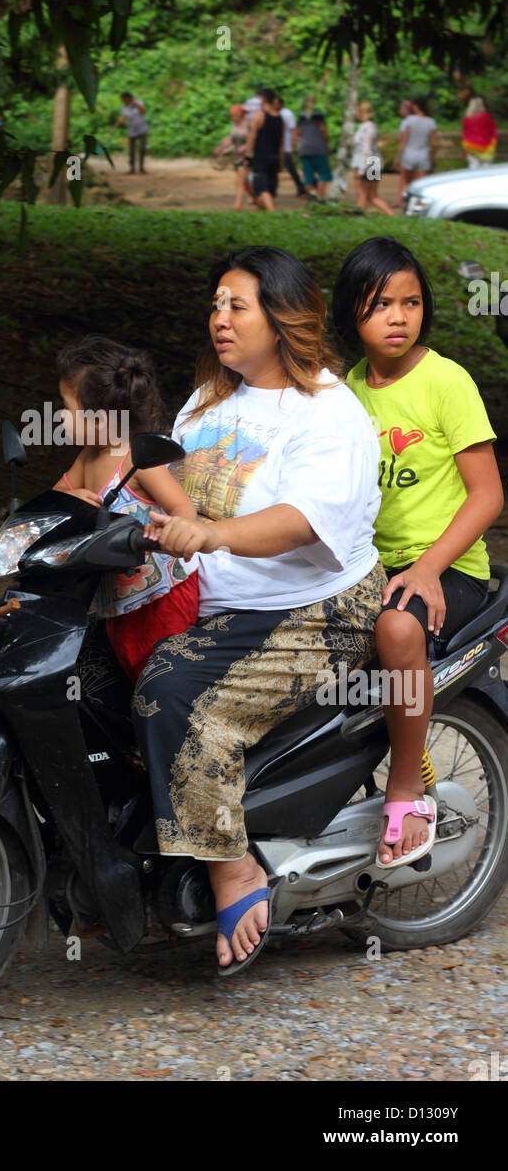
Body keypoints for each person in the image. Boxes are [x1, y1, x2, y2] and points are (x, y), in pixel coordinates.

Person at [137, 247, 385, 971]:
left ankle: (232, 867)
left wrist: (212, 532)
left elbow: (302, 520)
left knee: (177, 696)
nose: (219, 319)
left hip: (319, 609)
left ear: (280, 319)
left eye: (236, 306)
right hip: (220, 606)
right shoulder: (210, 399)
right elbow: (175, 481)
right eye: (215, 305)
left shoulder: (328, 412)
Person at [334, 237, 503, 867]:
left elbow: (488, 495)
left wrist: (429, 566)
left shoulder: (446, 381)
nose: (399, 317)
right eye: (381, 305)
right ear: (352, 312)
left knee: (397, 628)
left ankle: (406, 788)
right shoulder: (349, 388)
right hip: (370, 566)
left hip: (449, 566)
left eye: (411, 302)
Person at [53, 336, 199, 682]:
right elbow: (58, 494)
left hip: (161, 597)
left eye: (66, 407)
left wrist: (172, 531)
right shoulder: (87, 458)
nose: (58, 416)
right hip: (116, 600)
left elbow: (184, 508)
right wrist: (71, 500)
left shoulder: (137, 460)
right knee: (130, 678)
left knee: (162, 681)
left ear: (100, 420)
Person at [242, 88, 283, 211]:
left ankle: (273, 213)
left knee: (262, 189)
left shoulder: (259, 115)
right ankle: (263, 209)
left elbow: (252, 136)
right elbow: (281, 141)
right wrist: (281, 161)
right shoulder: (279, 117)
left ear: (262, 99)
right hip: (274, 158)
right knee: (266, 191)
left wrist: (248, 155)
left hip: (261, 157)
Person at [351, 102, 393, 217]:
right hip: (374, 161)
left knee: (362, 195)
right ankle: (391, 214)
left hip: (367, 163)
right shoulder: (371, 126)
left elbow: (367, 149)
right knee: (372, 196)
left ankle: (359, 219)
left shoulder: (366, 128)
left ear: (362, 112)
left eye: (357, 110)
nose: (355, 113)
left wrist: (361, 169)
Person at [212, 104, 252, 210]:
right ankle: (257, 200)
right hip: (236, 156)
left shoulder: (249, 125)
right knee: (245, 183)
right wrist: (220, 149)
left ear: (239, 114)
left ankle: (237, 206)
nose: (231, 117)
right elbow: (231, 139)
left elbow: (255, 139)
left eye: (232, 115)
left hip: (247, 156)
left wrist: (246, 146)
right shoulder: (234, 125)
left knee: (239, 181)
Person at [398, 97, 437, 190]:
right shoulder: (431, 122)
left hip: (409, 155)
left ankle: (405, 201)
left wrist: (398, 156)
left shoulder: (409, 120)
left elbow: (404, 140)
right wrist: (432, 158)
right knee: (423, 184)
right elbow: (434, 144)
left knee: (408, 184)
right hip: (423, 155)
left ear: (416, 107)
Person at [297, 109, 332, 200]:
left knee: (307, 176)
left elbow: (297, 135)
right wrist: (327, 144)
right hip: (319, 150)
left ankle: (312, 196)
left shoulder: (301, 123)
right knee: (324, 173)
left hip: (304, 150)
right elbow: (323, 131)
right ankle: (320, 197)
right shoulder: (319, 123)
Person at [277, 96, 306, 198]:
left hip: (286, 147)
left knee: (291, 168)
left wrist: (293, 146)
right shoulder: (276, 113)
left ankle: (302, 188)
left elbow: (294, 130)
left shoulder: (287, 114)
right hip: (279, 147)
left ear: (281, 104)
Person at [462, 96, 498, 170]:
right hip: (486, 146)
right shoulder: (486, 116)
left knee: (473, 166)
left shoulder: (467, 117)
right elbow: (493, 129)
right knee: (486, 167)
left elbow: (465, 132)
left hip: (470, 146)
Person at [117, 92, 148, 174]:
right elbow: (123, 120)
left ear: (128, 98)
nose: (123, 101)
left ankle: (141, 168)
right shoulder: (123, 108)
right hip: (131, 130)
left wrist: (136, 104)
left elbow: (143, 111)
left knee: (142, 149)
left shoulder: (138, 102)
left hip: (142, 129)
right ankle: (132, 168)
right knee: (131, 150)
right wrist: (121, 121)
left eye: (124, 99)